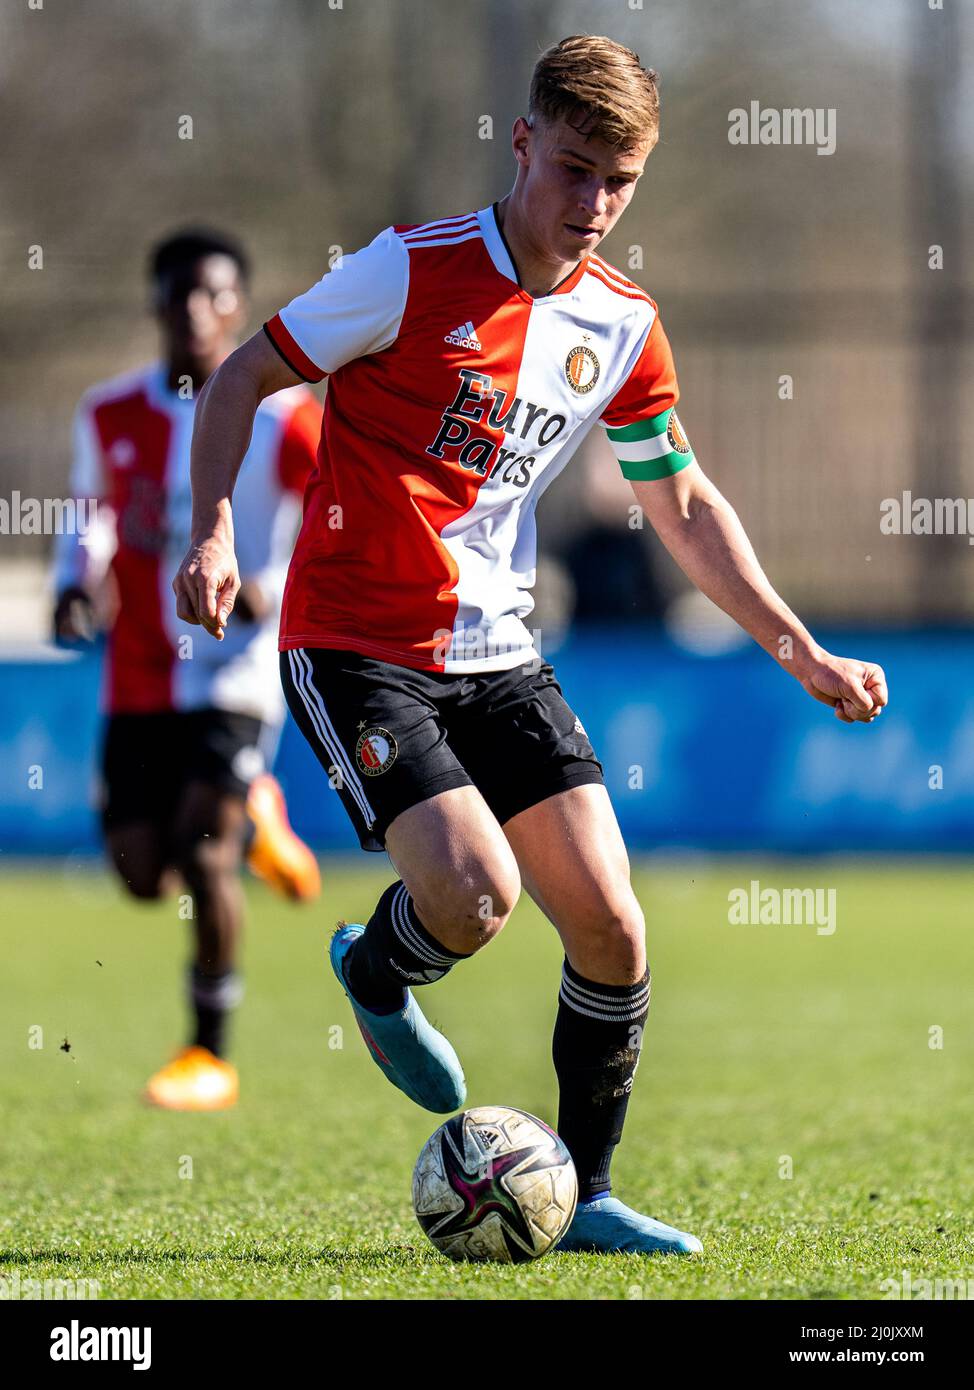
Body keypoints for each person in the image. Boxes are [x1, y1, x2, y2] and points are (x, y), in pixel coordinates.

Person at [173, 37, 887, 1251]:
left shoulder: (620, 322)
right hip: (354, 641)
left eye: (619, 181)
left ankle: (591, 1191)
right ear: (520, 144)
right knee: (473, 897)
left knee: (610, 922)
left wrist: (799, 649)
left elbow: (681, 502)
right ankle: (379, 970)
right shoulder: (406, 272)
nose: (593, 204)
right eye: (571, 169)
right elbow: (243, 376)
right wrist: (213, 531)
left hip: (500, 650)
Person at [54, 228, 322, 1111]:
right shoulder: (110, 412)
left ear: (238, 306)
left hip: (236, 673)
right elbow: (90, 514)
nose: (195, 313)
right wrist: (73, 585)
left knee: (206, 860)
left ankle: (208, 1053)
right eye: (179, 296)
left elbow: (339, 520)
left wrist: (272, 586)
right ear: (158, 305)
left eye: (214, 296)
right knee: (142, 872)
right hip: (136, 672)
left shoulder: (284, 418)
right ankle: (258, 813)